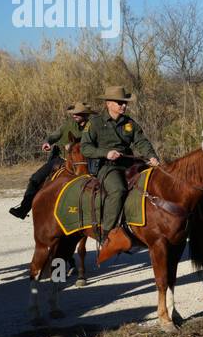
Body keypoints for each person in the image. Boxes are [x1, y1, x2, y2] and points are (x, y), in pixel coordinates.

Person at [80, 86, 160, 246]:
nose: (123, 106)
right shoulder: (94, 123)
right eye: (119, 103)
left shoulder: (130, 123)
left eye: (125, 103)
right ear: (108, 104)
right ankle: (107, 233)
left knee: (154, 182)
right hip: (107, 166)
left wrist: (152, 156)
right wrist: (106, 153)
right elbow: (85, 148)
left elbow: (141, 142)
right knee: (118, 190)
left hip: (130, 163)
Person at [9, 101, 94, 219]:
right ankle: (23, 209)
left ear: (86, 114)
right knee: (35, 178)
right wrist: (47, 142)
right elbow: (55, 135)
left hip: (85, 161)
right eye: (73, 113)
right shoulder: (68, 124)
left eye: (77, 113)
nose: (74, 115)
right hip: (62, 159)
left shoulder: (93, 126)